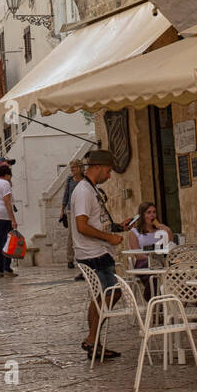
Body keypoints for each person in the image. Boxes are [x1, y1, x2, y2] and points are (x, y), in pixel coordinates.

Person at [71, 148, 124, 361]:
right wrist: (108, 238)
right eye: (109, 170)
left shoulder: (90, 189)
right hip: (94, 253)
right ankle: (92, 338)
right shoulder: (83, 191)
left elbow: (94, 221)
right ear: (98, 167)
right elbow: (82, 226)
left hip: (95, 251)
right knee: (112, 293)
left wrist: (117, 227)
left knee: (100, 297)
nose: (110, 175)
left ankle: (94, 341)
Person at [128, 201, 174, 299]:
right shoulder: (134, 232)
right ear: (142, 215)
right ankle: (152, 298)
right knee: (154, 276)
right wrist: (153, 261)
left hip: (161, 261)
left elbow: (170, 244)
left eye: (154, 212)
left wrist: (163, 227)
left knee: (177, 270)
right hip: (143, 262)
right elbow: (137, 254)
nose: (152, 215)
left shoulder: (160, 230)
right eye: (148, 212)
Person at [60, 159, 85, 269]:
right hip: (70, 210)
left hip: (82, 210)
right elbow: (66, 195)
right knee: (71, 234)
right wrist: (62, 210)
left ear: (79, 168)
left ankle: (84, 258)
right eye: (71, 168)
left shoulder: (85, 179)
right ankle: (70, 259)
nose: (72, 170)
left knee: (82, 233)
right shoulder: (70, 179)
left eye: (74, 167)